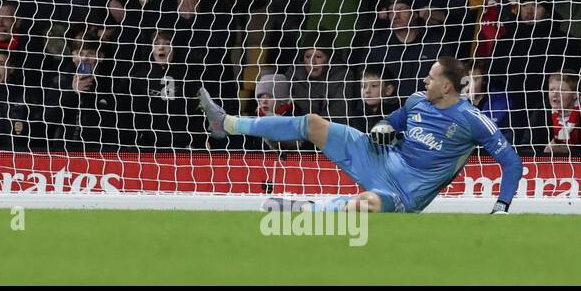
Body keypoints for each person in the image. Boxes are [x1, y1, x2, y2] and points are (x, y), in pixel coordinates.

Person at [199, 57, 523, 213]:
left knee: (366, 205)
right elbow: (391, 121)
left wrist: (501, 206)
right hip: (378, 156)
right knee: (313, 122)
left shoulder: (472, 120)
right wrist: (383, 127)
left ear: (447, 86)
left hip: (406, 192)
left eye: (431, 77)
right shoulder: (415, 101)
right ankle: (227, 124)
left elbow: (511, 162)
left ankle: (303, 208)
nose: (425, 80)